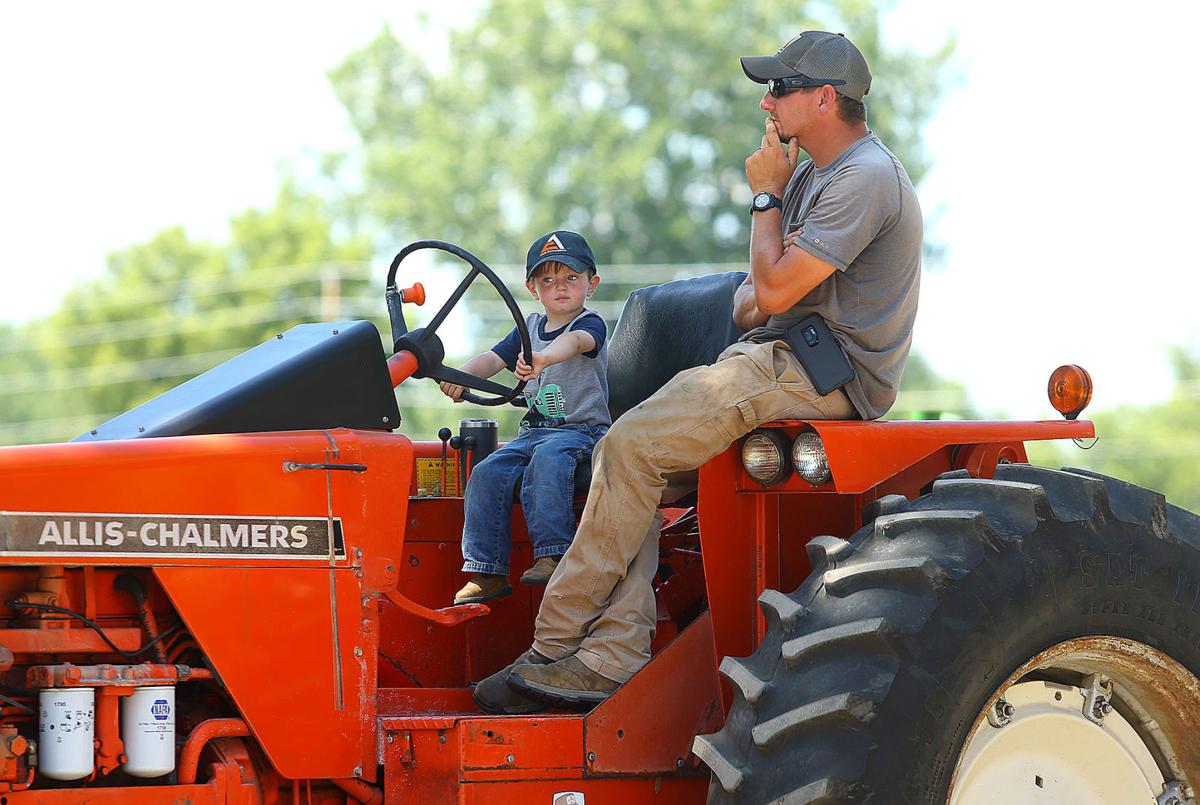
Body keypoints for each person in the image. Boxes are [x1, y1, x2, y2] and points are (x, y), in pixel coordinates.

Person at [474, 31, 923, 713]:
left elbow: (767, 296)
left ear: (826, 98)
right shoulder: (812, 172)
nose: (767, 100)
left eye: (781, 88)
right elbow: (753, 295)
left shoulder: (861, 177)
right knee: (622, 464)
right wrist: (770, 265)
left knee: (628, 444)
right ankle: (607, 658)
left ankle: (550, 646)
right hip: (776, 351)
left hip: (817, 369)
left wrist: (766, 200)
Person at [441, 230, 611, 605]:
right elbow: (491, 359)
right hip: (532, 433)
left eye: (571, 277)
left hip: (580, 431)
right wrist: (458, 376)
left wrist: (545, 357)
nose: (560, 287)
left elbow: (578, 344)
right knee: (485, 473)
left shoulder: (590, 323)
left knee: (548, 461)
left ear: (591, 284)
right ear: (533, 288)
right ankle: (487, 571)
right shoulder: (528, 328)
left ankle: (552, 553)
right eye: (548, 279)